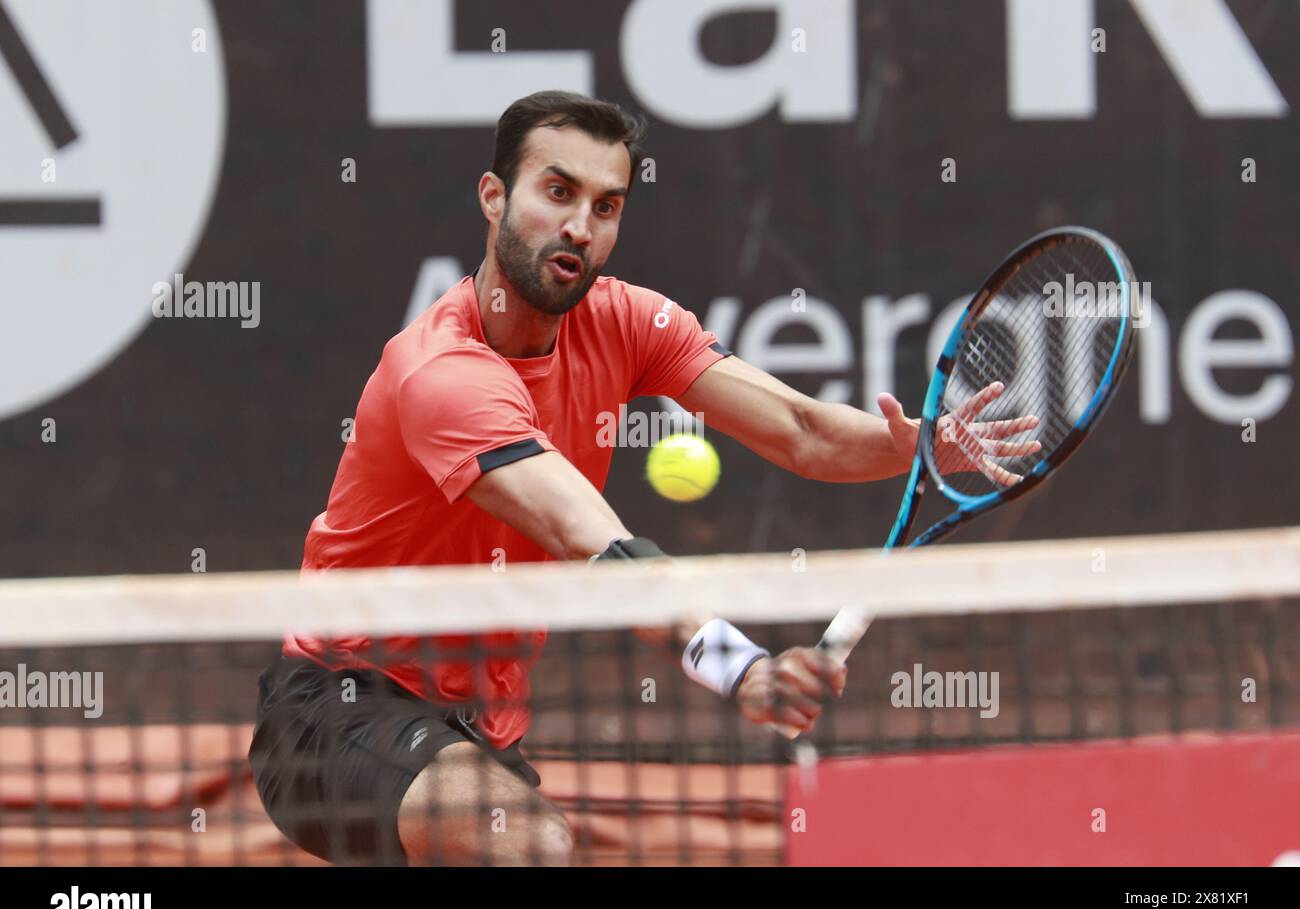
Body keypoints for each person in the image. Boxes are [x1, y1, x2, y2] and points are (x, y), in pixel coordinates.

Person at [249, 90, 1037, 866]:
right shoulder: (441, 373)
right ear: (493, 198)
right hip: (334, 708)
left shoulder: (628, 322)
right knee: (526, 843)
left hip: (479, 726)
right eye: (557, 192)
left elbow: (802, 431)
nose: (578, 227)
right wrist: (744, 670)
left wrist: (924, 447)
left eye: (606, 206)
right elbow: (587, 539)